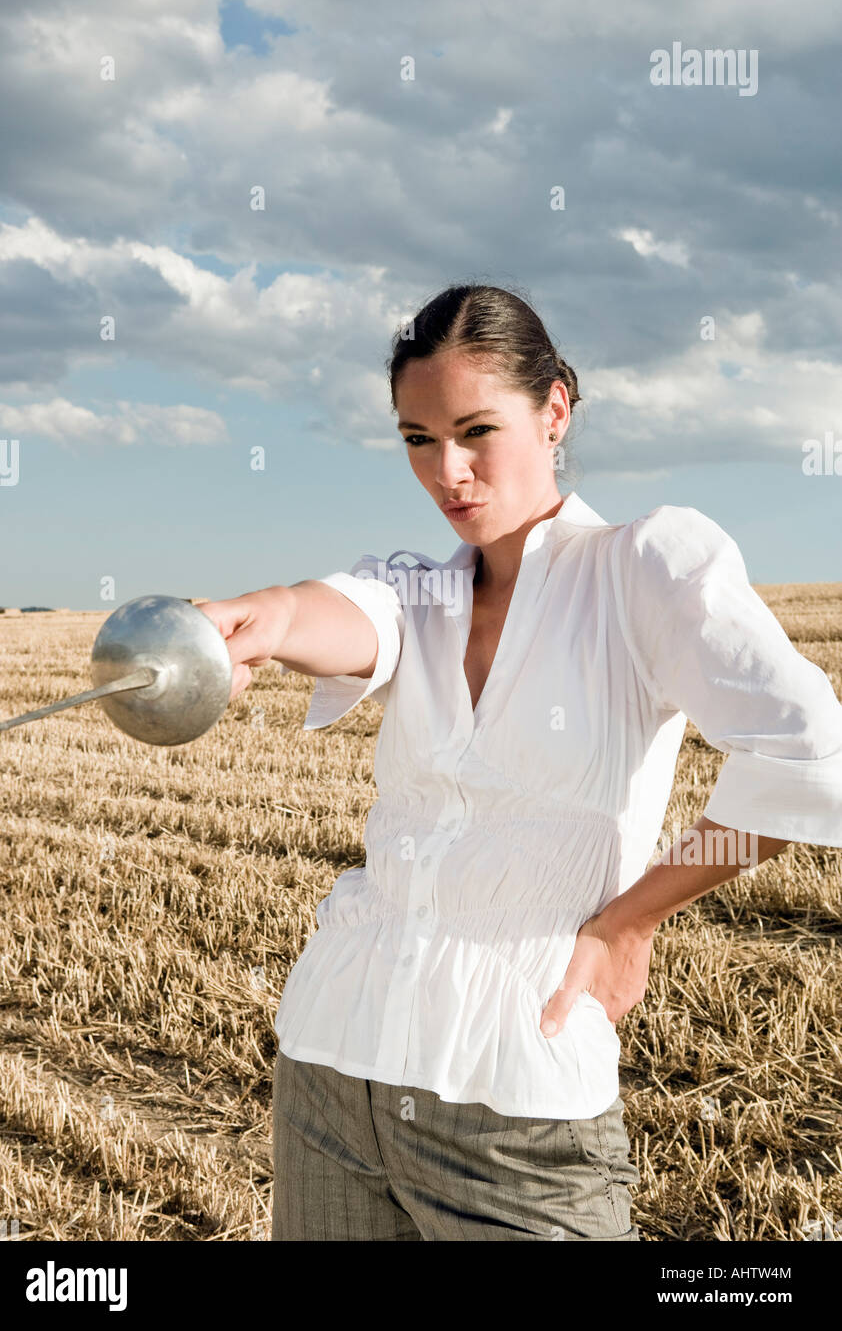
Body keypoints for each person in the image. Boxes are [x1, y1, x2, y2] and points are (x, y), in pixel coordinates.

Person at [199, 284, 842, 1241]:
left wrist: (631, 920)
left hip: (519, 1100)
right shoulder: (414, 591)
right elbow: (315, 615)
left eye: (474, 431)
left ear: (554, 410)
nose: (447, 471)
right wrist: (239, 628)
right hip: (334, 1068)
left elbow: (810, 758)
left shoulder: (643, 569)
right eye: (418, 439)